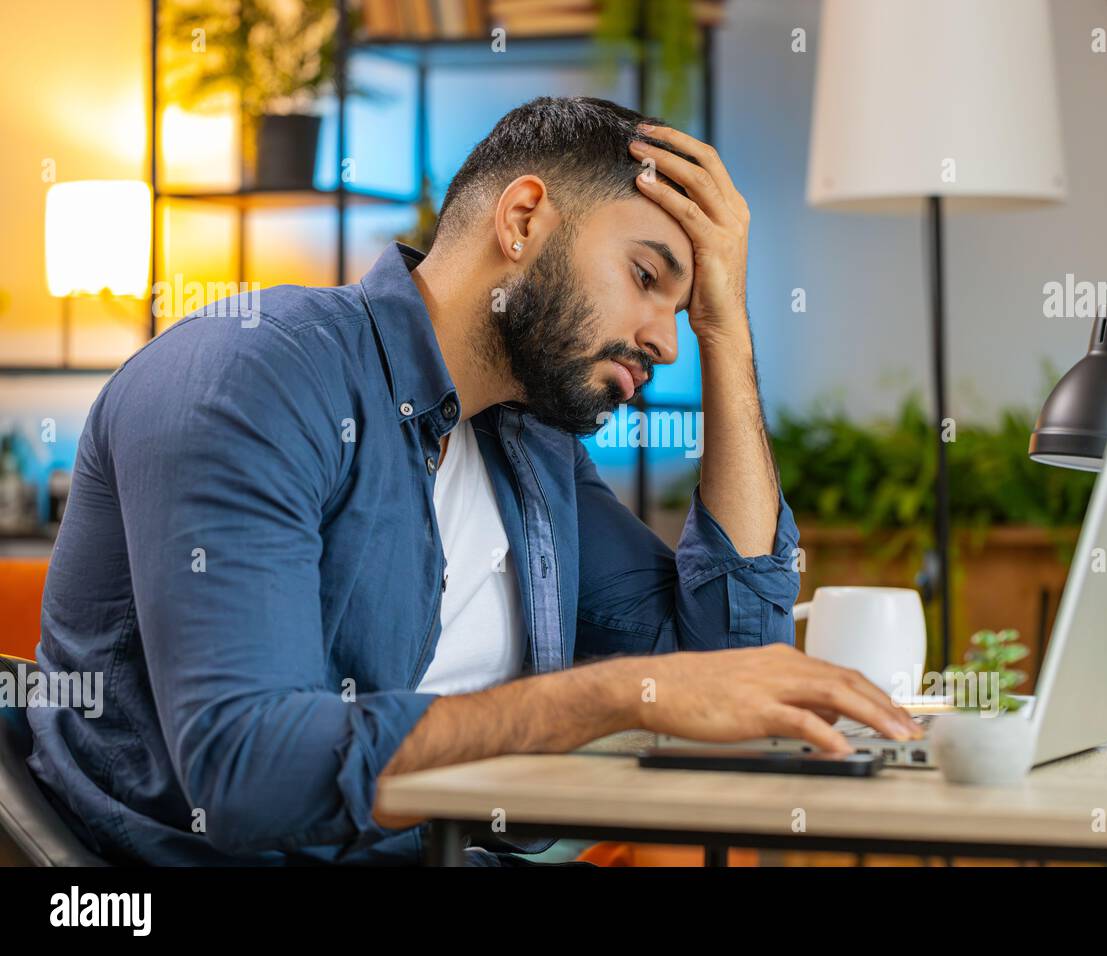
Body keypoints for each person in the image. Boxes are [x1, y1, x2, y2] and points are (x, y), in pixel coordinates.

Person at [29, 96, 921, 865]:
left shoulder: (526, 446)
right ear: (523, 220)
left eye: (688, 313)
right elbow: (247, 774)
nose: (666, 340)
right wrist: (614, 695)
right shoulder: (256, 373)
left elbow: (728, 660)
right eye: (648, 277)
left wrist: (731, 331)